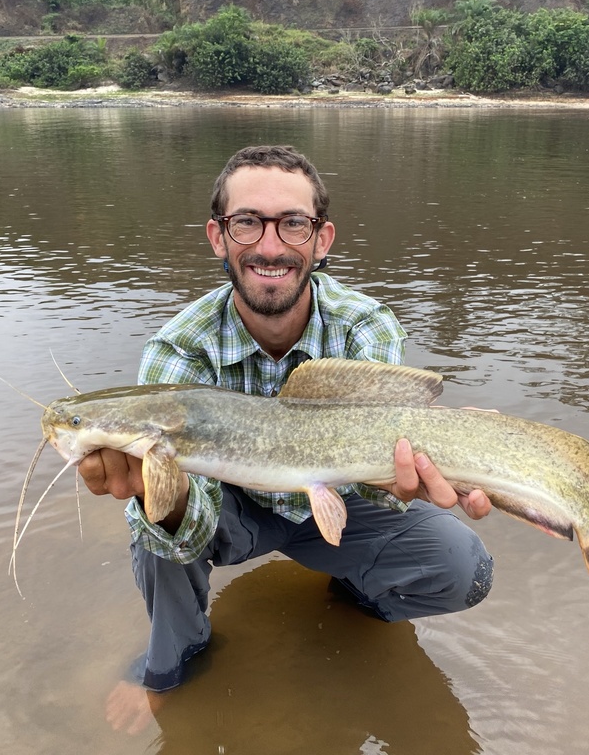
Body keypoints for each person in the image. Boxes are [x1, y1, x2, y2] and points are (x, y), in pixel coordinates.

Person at [79, 145, 494, 732]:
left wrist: (410, 484)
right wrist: (162, 501)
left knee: (463, 567)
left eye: (292, 224)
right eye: (246, 222)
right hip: (230, 507)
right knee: (152, 523)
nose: (269, 246)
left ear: (321, 240)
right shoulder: (177, 350)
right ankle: (173, 661)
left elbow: (379, 479)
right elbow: (181, 523)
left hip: (338, 495)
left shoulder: (363, 326)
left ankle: (355, 597)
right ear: (218, 237)